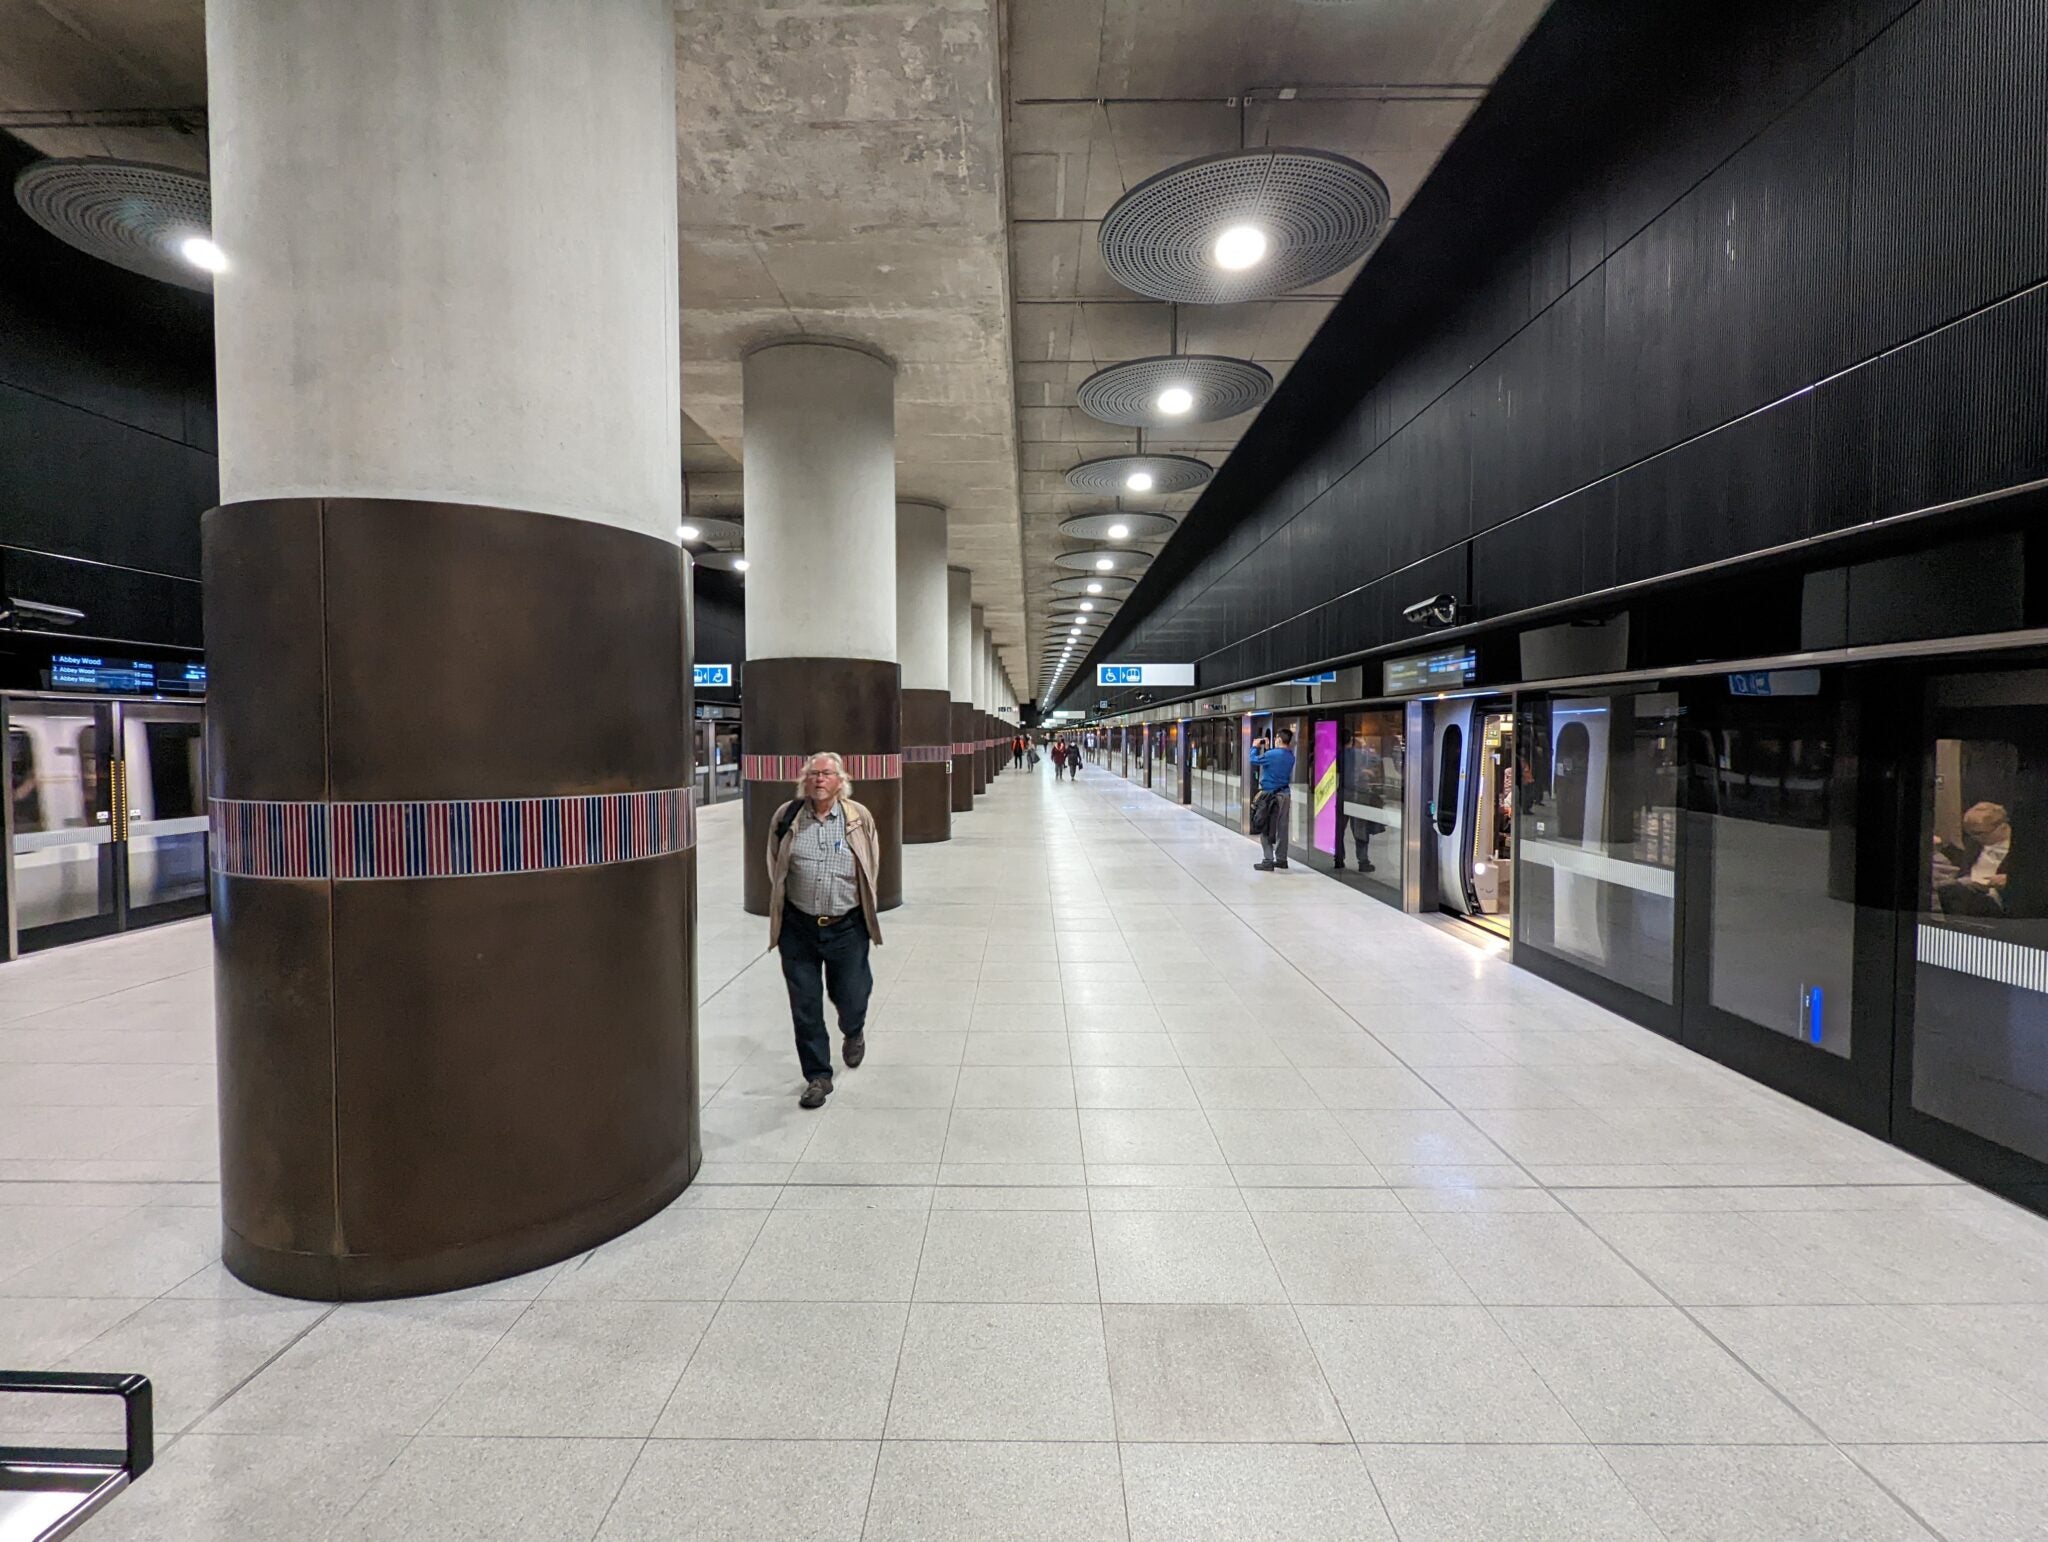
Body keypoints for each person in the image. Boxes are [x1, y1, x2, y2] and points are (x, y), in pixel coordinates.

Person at [765, 752, 883, 1108]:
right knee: (805, 1005)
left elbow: (872, 861)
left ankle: (853, 1029)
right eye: (813, 773)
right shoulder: (787, 816)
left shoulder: (857, 817)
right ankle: (818, 1076)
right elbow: (775, 864)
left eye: (826, 774)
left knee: (851, 994)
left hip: (846, 925)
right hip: (798, 926)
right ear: (805, 779)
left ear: (839, 780)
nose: (819, 779)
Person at [1935, 800, 2012, 918]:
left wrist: (2009, 880)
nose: (1974, 838)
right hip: (1971, 895)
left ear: (2002, 827)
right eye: (1970, 833)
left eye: (1979, 833)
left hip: (2002, 900)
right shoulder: (1974, 843)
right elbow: (1963, 864)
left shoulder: (2025, 848)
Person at [1333, 728, 1384, 873]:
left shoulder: (1337, 755)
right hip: (1359, 796)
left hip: (1343, 794)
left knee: (1339, 830)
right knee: (1360, 829)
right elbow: (1376, 762)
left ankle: (1338, 859)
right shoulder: (1360, 754)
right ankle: (1363, 861)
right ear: (1351, 740)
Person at [1250, 727, 1296, 871]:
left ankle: (1268, 860)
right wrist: (1269, 749)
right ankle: (1282, 859)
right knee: (1282, 828)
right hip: (1285, 795)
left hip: (1270, 796)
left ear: (1279, 739)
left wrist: (1254, 747)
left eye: (1276, 737)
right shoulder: (1290, 756)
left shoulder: (1272, 754)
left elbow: (1253, 760)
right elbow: (1275, 762)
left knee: (1265, 825)